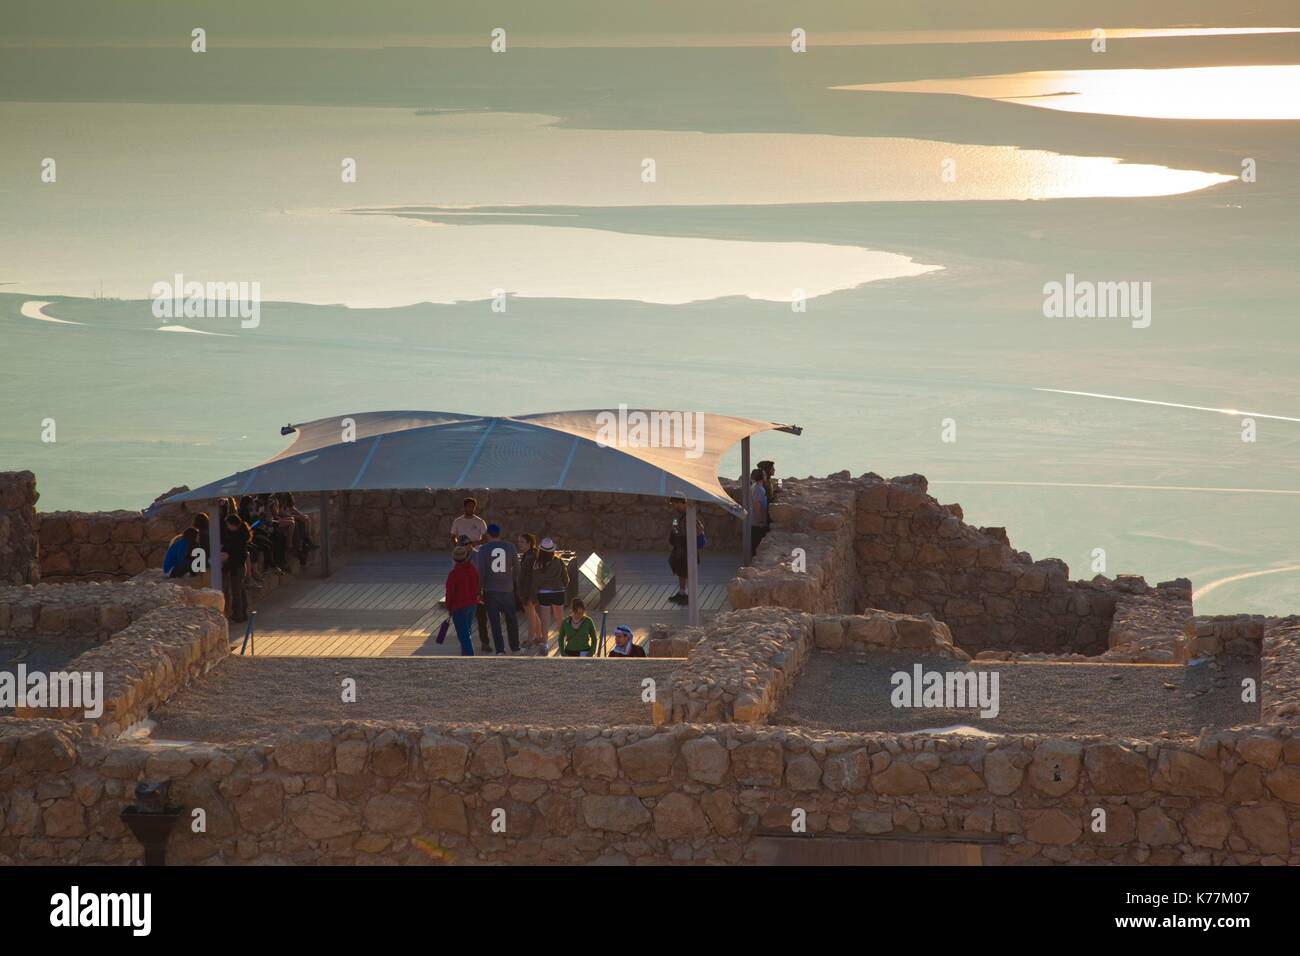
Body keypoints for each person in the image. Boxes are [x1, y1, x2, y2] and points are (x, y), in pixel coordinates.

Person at [476, 524, 519, 654]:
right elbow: (517, 568)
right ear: (500, 533)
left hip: (491, 589)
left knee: (495, 622)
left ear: (487, 534)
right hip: (507, 588)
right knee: (511, 619)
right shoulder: (510, 546)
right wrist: (513, 582)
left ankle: (500, 649)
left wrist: (479, 590)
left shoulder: (483, 549)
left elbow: (481, 572)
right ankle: (515, 647)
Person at [444, 545, 480, 656]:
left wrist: (449, 607)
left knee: (463, 635)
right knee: (467, 631)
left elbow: (450, 593)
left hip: (459, 607)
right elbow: (477, 585)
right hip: (472, 604)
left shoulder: (453, 574)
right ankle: (466, 654)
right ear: (466, 556)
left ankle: (469, 657)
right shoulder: (472, 569)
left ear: (454, 558)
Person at [532, 538, 569, 646]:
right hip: (558, 591)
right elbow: (566, 578)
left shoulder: (537, 563)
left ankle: (545, 643)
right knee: (559, 619)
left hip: (544, 593)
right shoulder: (559, 561)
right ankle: (562, 642)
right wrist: (562, 586)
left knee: (545, 620)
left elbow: (535, 581)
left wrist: (536, 593)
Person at [220, 512, 252, 623]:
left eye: (228, 524)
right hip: (241, 566)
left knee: (236, 592)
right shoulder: (242, 533)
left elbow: (234, 552)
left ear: (232, 524)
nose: (227, 527)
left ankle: (238, 616)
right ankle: (243, 612)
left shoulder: (237, 536)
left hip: (236, 567)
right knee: (241, 590)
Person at [516, 532, 541, 646]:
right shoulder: (530, 555)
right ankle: (539, 636)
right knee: (534, 614)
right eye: (518, 542)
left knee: (530, 616)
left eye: (522, 542)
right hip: (530, 591)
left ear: (529, 543)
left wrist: (527, 595)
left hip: (528, 592)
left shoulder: (530, 557)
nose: (519, 544)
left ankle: (530, 639)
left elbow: (530, 578)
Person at [667, 495, 689, 604]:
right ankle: (682, 592)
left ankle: (685, 594)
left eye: (675, 505)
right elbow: (675, 527)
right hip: (680, 546)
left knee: (684, 570)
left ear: (680, 503)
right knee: (680, 571)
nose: (674, 507)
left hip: (686, 547)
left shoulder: (689, 514)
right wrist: (674, 528)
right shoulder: (679, 515)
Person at [749, 467, 769, 557]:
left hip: (756, 520)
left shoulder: (757, 487)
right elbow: (757, 504)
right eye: (764, 474)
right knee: (757, 542)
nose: (765, 476)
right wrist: (760, 520)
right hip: (757, 522)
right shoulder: (757, 488)